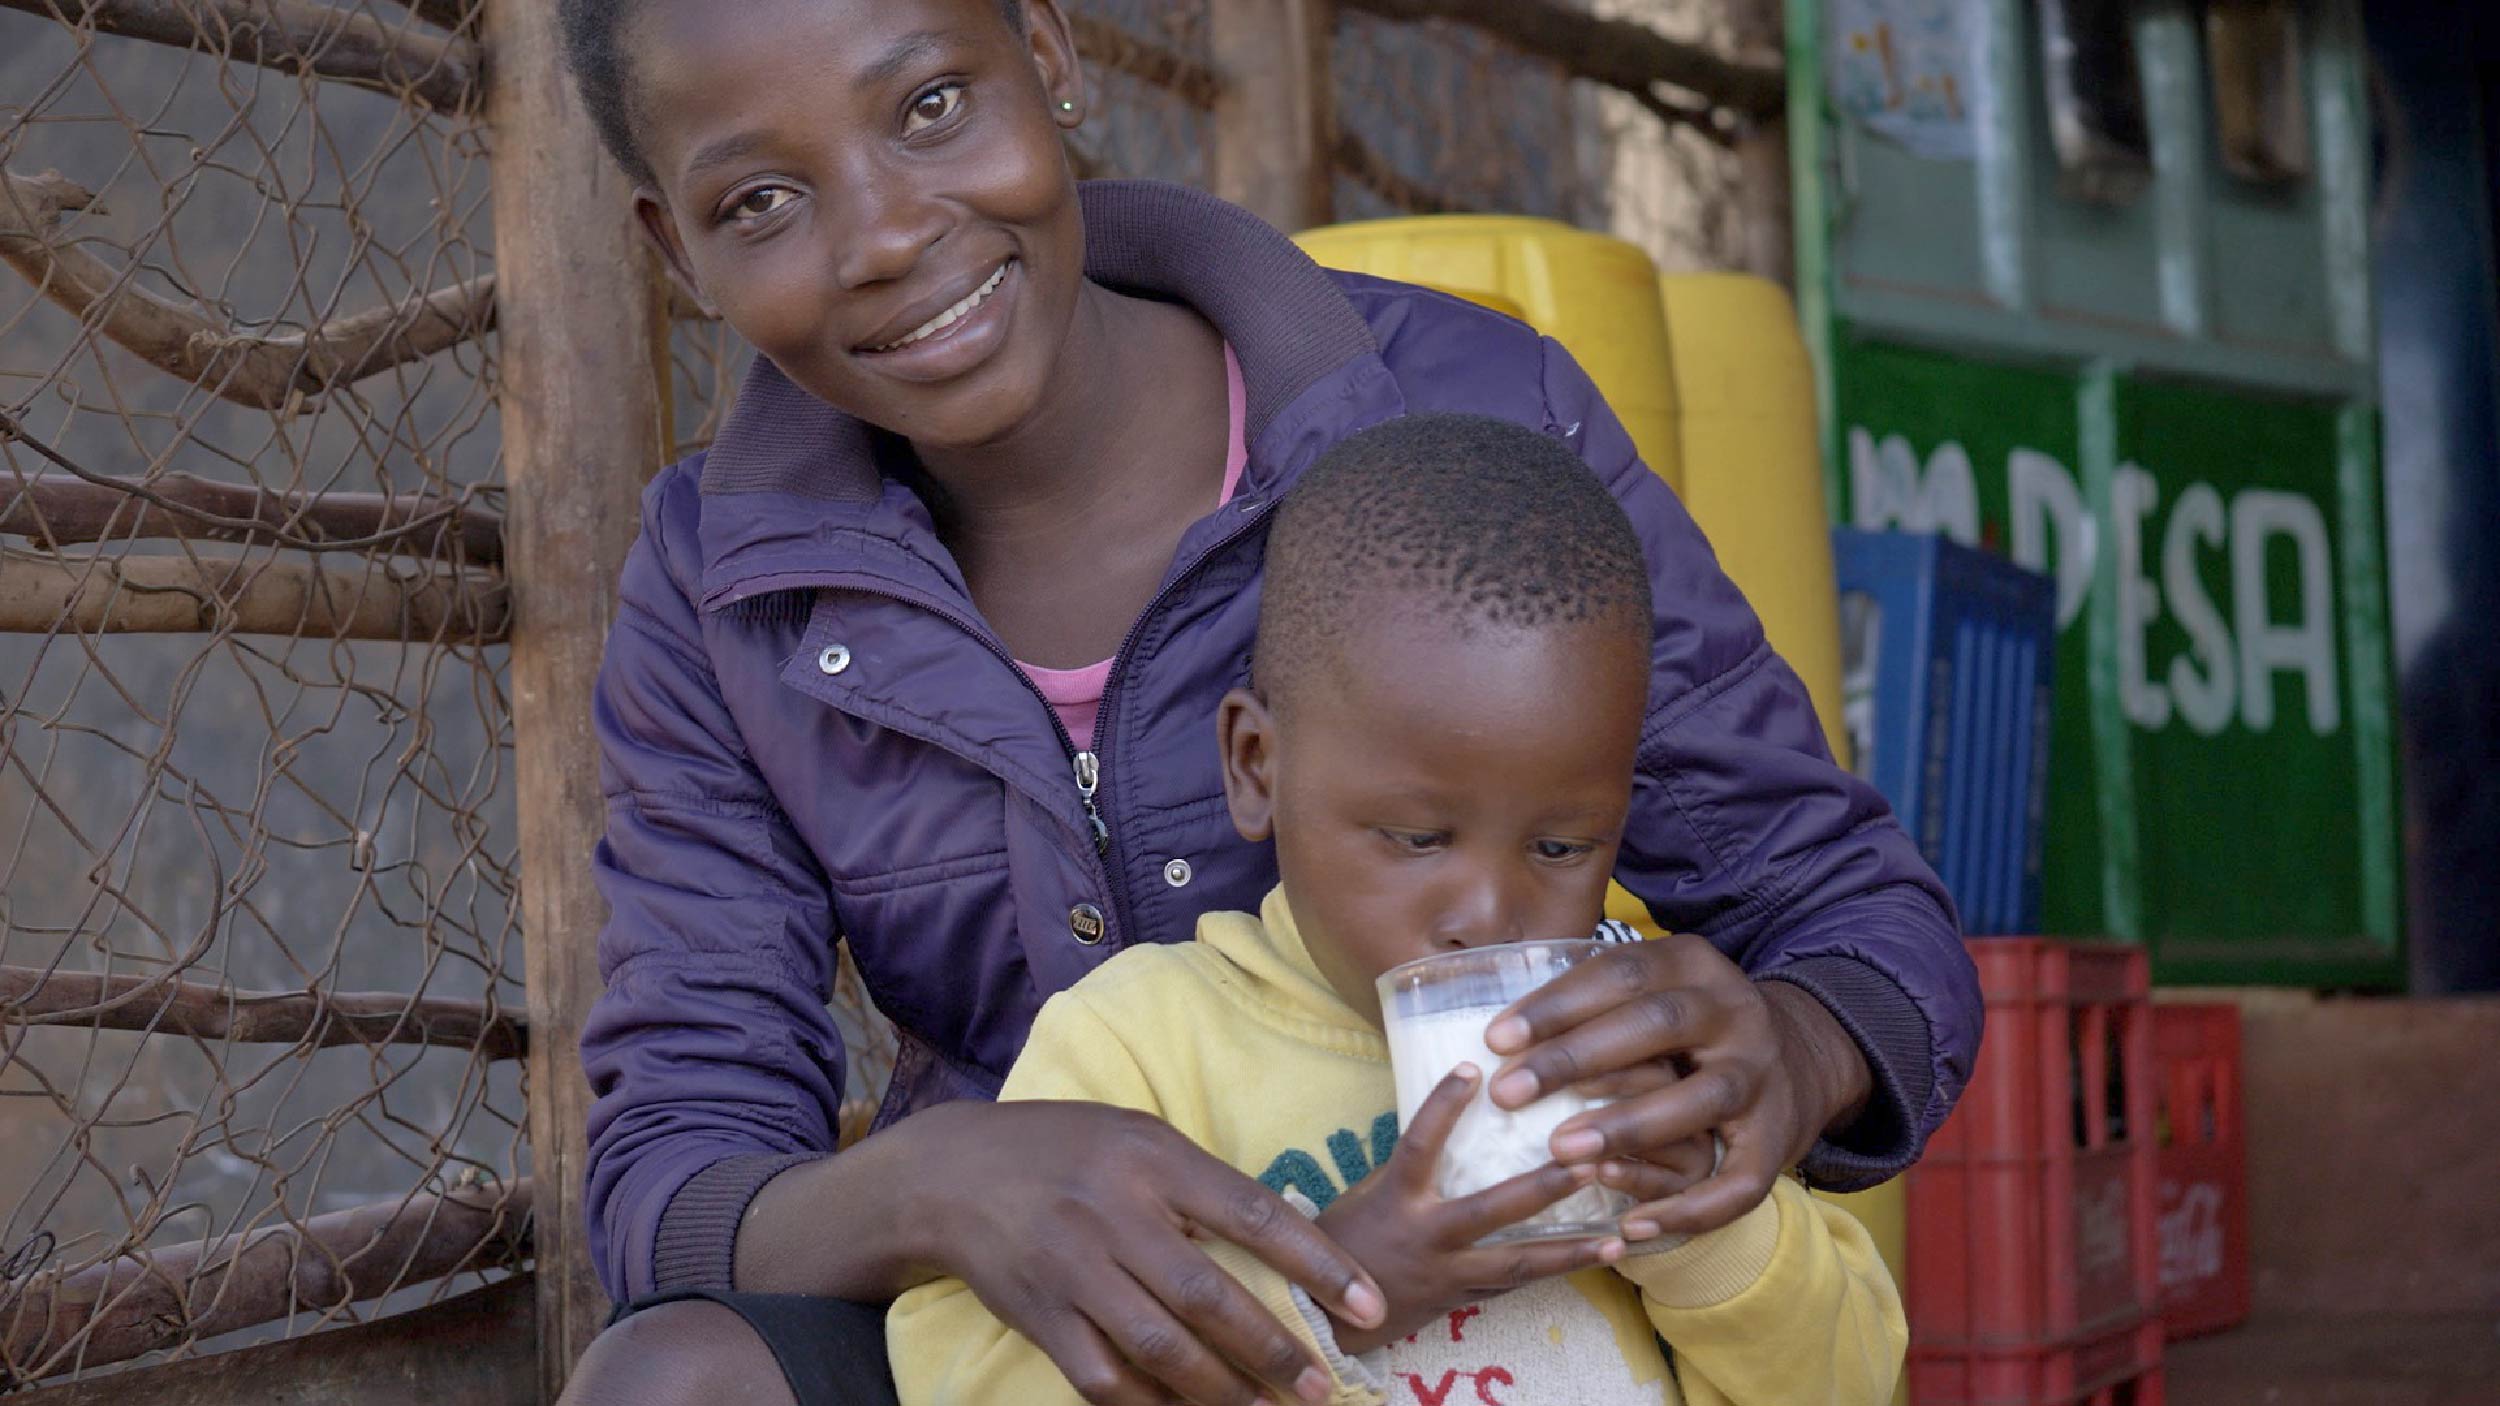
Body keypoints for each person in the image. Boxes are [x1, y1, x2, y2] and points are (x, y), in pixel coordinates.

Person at [551, 0, 1979, 1401]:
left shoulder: (1454, 420)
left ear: (1046, 53)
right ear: (677, 249)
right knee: (676, 1380)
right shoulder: (724, 587)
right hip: (1037, 1338)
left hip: (1520, 1311)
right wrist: (934, 1184)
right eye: (760, 200)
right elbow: (676, 1171)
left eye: (930, 106)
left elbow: (1853, 912)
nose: (882, 235)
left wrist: (1783, 1053)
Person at [885, 414, 1907, 1406]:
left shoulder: (1628, 1040)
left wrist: (1696, 1216)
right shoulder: (1142, 1047)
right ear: (1256, 767)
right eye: (1417, 838)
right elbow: (966, 1377)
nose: (1487, 912)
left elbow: (1854, 1373)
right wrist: (1341, 1288)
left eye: (1560, 845)